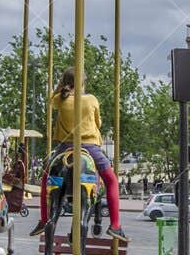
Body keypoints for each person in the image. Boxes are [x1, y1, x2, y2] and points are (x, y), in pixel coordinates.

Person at [37, 70, 124, 238]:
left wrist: (62, 87)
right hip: (90, 147)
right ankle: (115, 225)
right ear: (83, 83)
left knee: (46, 178)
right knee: (112, 180)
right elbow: (98, 122)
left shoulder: (59, 100)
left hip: (65, 148)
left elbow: (52, 100)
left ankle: (44, 219)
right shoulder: (91, 100)